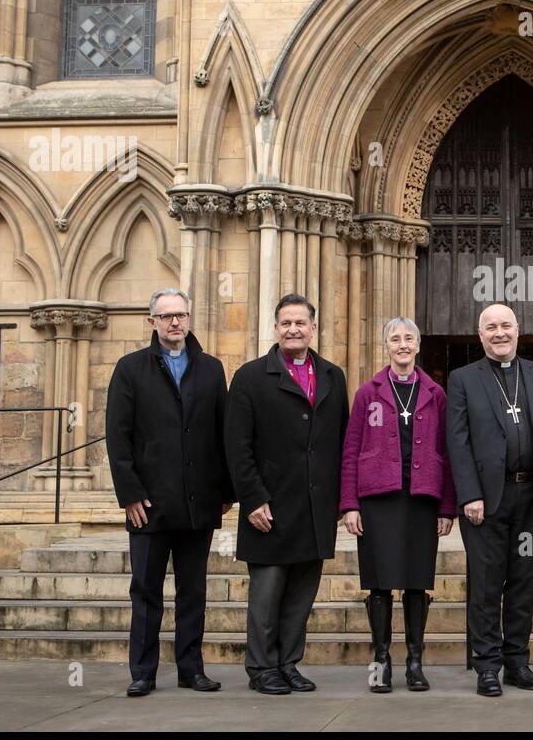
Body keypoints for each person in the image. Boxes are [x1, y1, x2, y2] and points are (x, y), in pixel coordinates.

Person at [106, 288, 234, 697]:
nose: (175, 322)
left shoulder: (211, 369)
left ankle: (190, 669)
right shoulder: (130, 369)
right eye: (166, 316)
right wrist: (129, 494)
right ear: (153, 322)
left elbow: (223, 432)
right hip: (149, 504)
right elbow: (118, 436)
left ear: (189, 318)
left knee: (193, 591)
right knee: (146, 590)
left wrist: (226, 491)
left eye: (180, 315)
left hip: (198, 503)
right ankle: (143, 672)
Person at [224, 295, 347, 695]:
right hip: (270, 507)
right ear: (276, 328)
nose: (293, 329)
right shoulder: (250, 377)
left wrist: (341, 500)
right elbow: (237, 446)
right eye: (286, 323)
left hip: (315, 507)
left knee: (301, 595)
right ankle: (262, 667)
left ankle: (288, 663)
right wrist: (252, 499)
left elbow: (341, 442)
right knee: (267, 594)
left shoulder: (332, 376)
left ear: (314, 328)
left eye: (300, 322)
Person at [445, 303, 533, 697]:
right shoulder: (463, 379)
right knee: (485, 584)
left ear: (518, 329)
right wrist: (470, 494)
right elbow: (457, 442)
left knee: (522, 581)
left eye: (505, 326)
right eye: (491, 327)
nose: (499, 333)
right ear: (480, 335)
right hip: (486, 502)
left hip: (530, 499)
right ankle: (487, 665)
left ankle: (517, 662)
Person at [340, 318, 456, 693]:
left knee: (417, 582)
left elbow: (447, 452)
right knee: (379, 583)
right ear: (385, 346)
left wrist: (447, 507)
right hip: (378, 501)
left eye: (409, 338)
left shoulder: (436, 394)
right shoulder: (367, 393)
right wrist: (349, 505)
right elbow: (350, 450)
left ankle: (415, 663)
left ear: (418, 345)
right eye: (395, 339)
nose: (402, 344)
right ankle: (381, 662)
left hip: (422, 498)